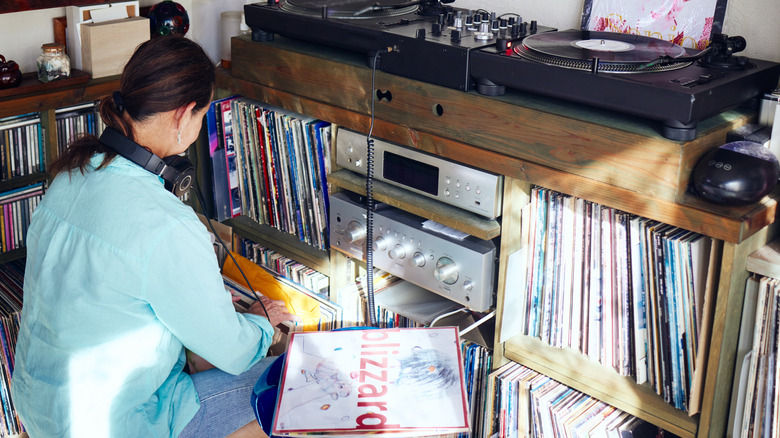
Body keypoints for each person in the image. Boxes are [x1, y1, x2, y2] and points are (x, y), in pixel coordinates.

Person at [11, 36, 298, 437]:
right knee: (289, 380)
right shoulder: (168, 225)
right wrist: (260, 323)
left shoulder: (69, 178)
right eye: (203, 116)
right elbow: (233, 353)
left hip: (39, 410)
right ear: (184, 116)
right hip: (115, 425)